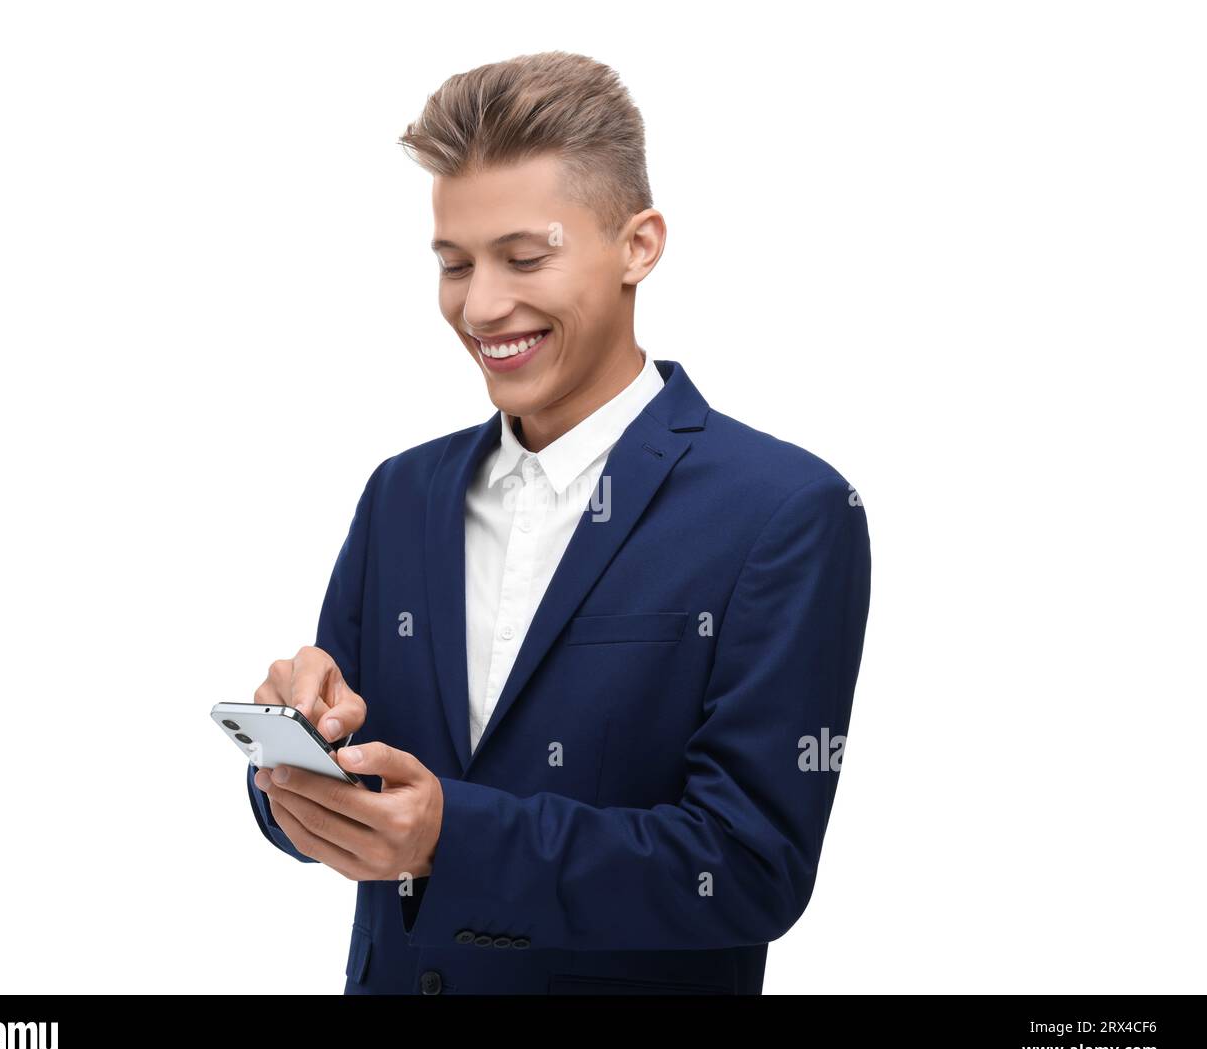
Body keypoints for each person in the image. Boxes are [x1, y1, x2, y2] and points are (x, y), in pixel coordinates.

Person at [245, 50, 871, 996]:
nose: (482, 305)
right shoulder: (400, 495)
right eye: (454, 264)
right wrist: (293, 759)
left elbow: (750, 867)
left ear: (639, 245)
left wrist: (451, 834)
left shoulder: (785, 511)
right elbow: (350, 809)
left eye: (525, 258)